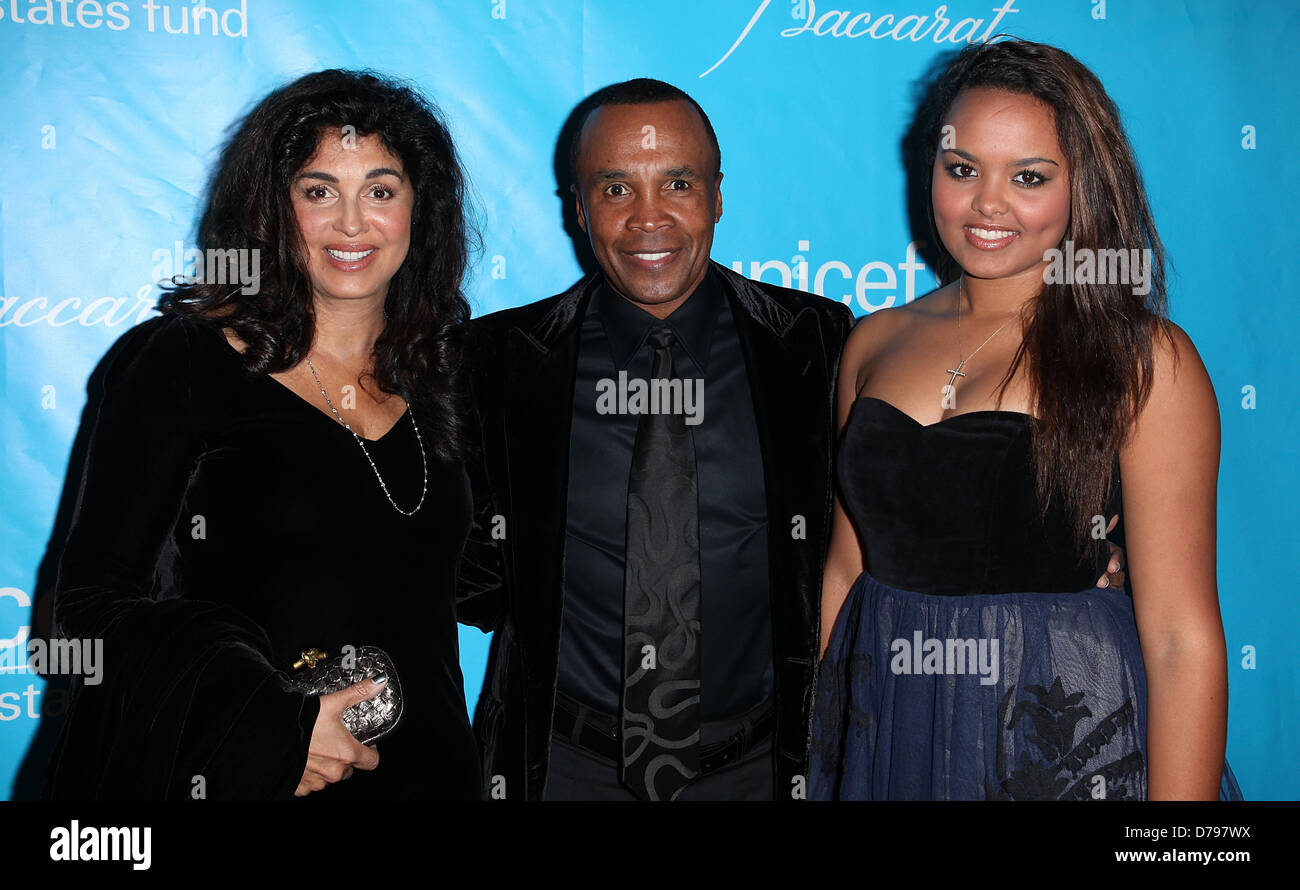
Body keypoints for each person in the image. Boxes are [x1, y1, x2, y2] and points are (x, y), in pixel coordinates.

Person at [812, 40, 1241, 800]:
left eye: (1030, 177)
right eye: (964, 168)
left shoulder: (1144, 360)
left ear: (1086, 186)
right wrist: (825, 752)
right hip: (894, 733)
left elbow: (1182, 639)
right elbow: (848, 571)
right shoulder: (871, 341)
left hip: (1062, 738)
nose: (987, 204)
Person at [44, 70, 481, 800]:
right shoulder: (184, 364)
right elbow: (88, 613)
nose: (351, 223)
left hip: (430, 778)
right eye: (318, 191)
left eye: (381, 190)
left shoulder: (449, 375)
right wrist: (265, 721)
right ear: (274, 208)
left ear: (419, 210)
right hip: (246, 776)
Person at [455, 79, 855, 800]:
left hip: (763, 771)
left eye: (677, 183)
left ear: (718, 195)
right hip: (563, 771)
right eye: (615, 189)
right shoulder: (499, 361)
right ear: (578, 209)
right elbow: (441, 560)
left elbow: (892, 528)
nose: (649, 220)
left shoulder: (817, 346)